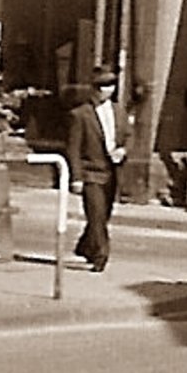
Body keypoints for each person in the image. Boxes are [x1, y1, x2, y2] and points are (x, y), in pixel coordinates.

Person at [65, 67, 126, 271]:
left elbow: (128, 136)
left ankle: (85, 246)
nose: (105, 91)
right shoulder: (80, 114)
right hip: (91, 172)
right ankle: (101, 254)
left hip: (112, 172)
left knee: (103, 215)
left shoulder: (119, 111)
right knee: (96, 214)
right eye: (101, 87)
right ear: (93, 89)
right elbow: (73, 148)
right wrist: (76, 177)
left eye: (109, 86)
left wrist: (123, 150)